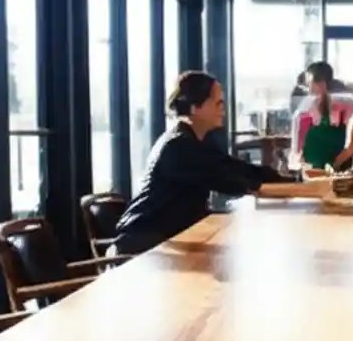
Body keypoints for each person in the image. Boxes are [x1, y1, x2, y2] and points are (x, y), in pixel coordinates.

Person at [112, 71, 291, 255]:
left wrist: (289, 180)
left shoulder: (197, 140)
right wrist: (286, 185)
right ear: (194, 107)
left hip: (169, 240)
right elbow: (229, 181)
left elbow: (234, 167)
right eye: (217, 103)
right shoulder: (179, 145)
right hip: (144, 247)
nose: (223, 108)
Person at [290, 62, 353, 170]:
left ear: (320, 84)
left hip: (322, 171)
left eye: (309, 84)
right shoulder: (350, 103)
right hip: (334, 170)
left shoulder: (308, 107)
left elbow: (297, 150)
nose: (308, 89)